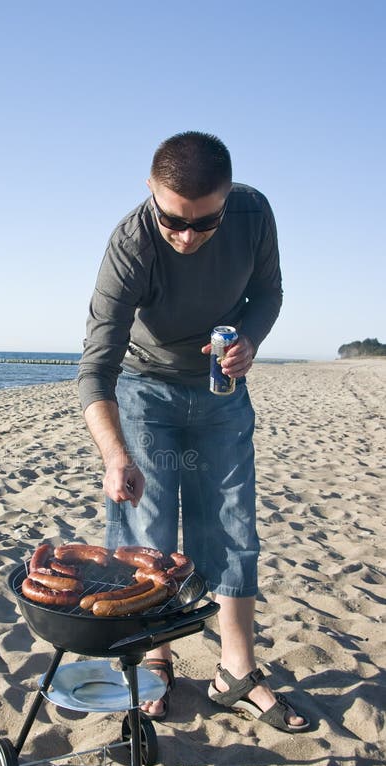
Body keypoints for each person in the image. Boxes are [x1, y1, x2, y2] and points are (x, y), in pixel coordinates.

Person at [77, 131, 309, 732]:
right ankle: (156, 657)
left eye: (205, 224)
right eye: (173, 220)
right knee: (145, 531)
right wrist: (114, 455)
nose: (187, 237)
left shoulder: (254, 213)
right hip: (145, 388)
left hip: (220, 391)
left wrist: (250, 339)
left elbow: (269, 291)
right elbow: (95, 369)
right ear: (150, 192)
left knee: (230, 523)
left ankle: (236, 670)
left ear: (228, 198)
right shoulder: (130, 245)